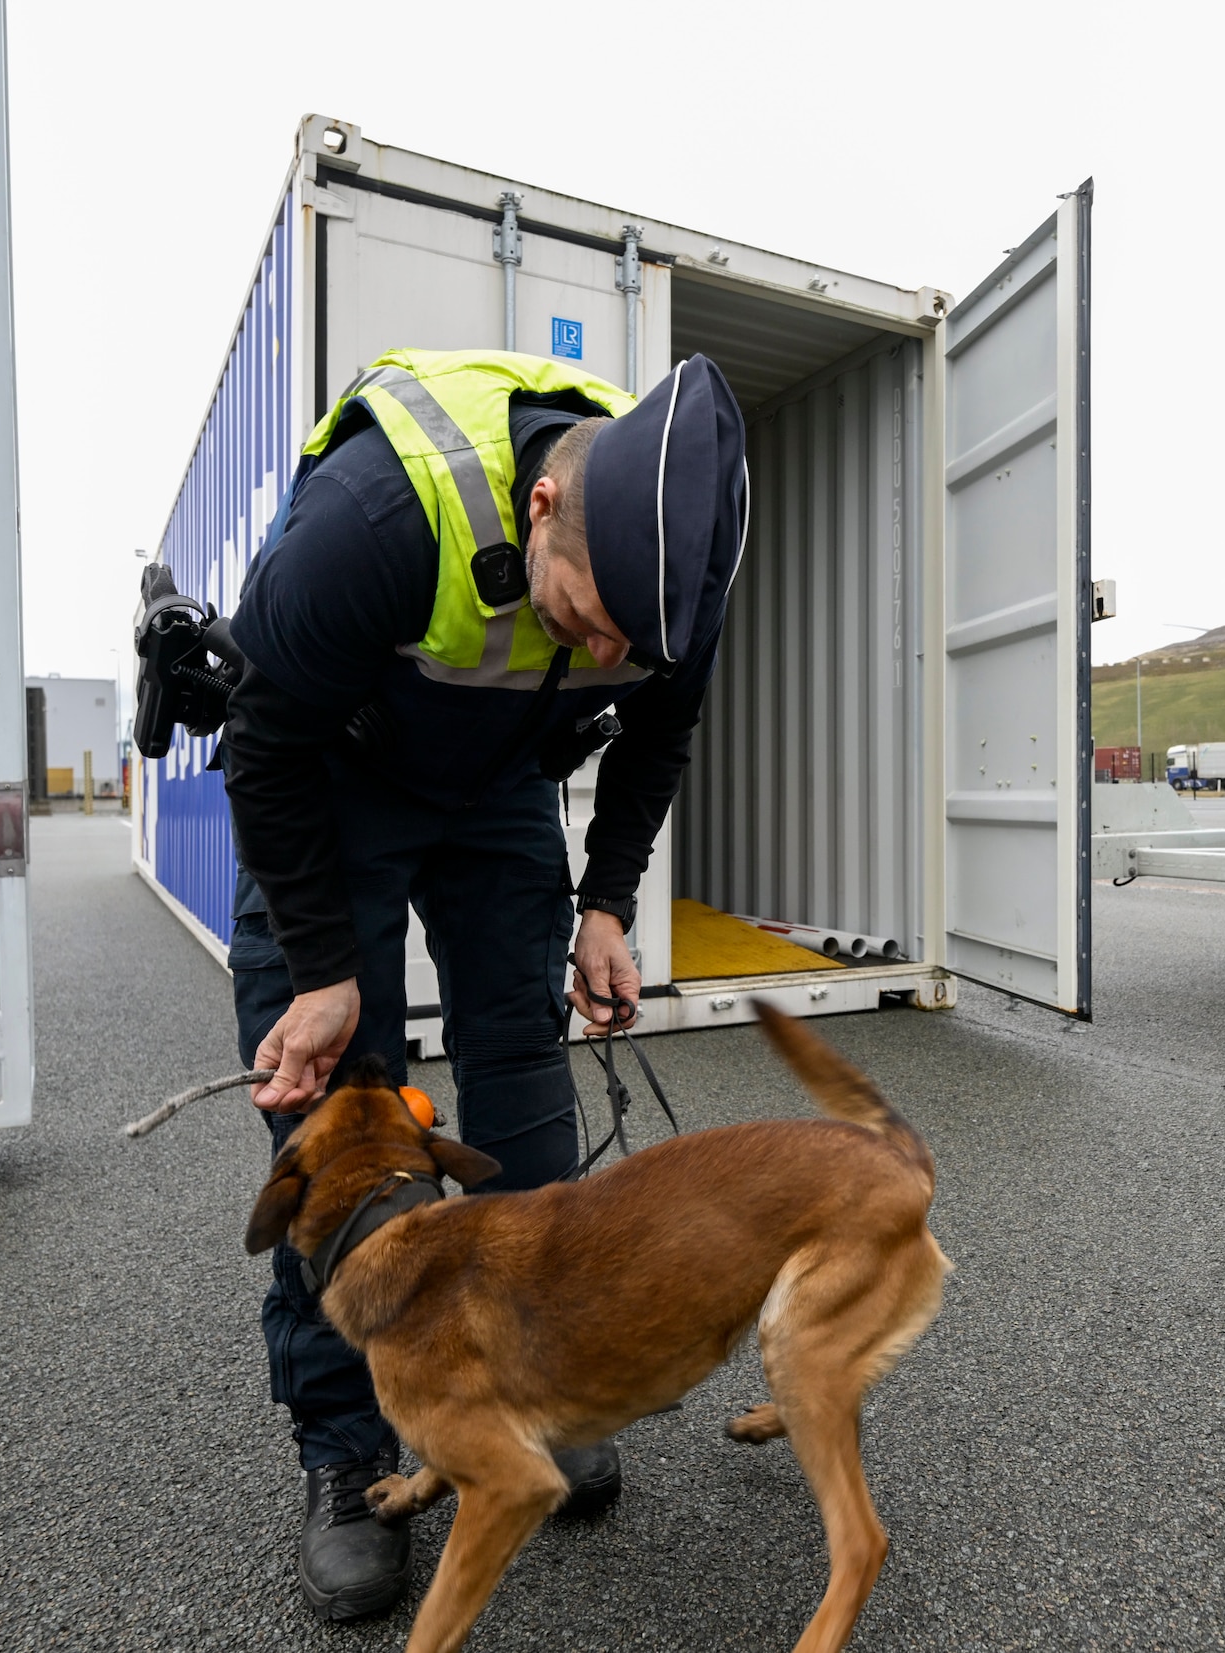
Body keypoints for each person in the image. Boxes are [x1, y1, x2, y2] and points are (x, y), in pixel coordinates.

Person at [218, 346, 747, 1623]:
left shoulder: (678, 568)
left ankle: (534, 1388)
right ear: (544, 510)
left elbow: (659, 732)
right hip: (336, 777)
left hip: (500, 789)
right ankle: (347, 1455)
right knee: (345, 1127)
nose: (613, 646)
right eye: (588, 612)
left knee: (519, 1086)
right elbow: (264, 742)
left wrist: (608, 902)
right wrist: (330, 972)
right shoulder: (376, 523)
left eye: (634, 638)